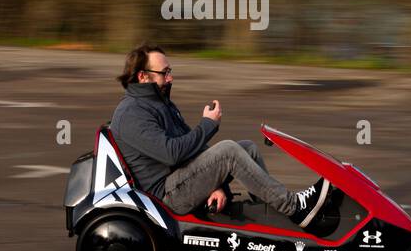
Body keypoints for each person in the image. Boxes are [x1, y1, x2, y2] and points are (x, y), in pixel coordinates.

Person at [110, 44, 332, 227]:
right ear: (143, 76)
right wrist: (208, 124)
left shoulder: (159, 103)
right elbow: (172, 154)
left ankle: (276, 213)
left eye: (170, 71)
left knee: (246, 148)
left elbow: (193, 148)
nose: (170, 78)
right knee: (228, 151)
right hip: (164, 197)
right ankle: (294, 208)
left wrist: (217, 185)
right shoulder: (131, 113)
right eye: (164, 73)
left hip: (179, 180)